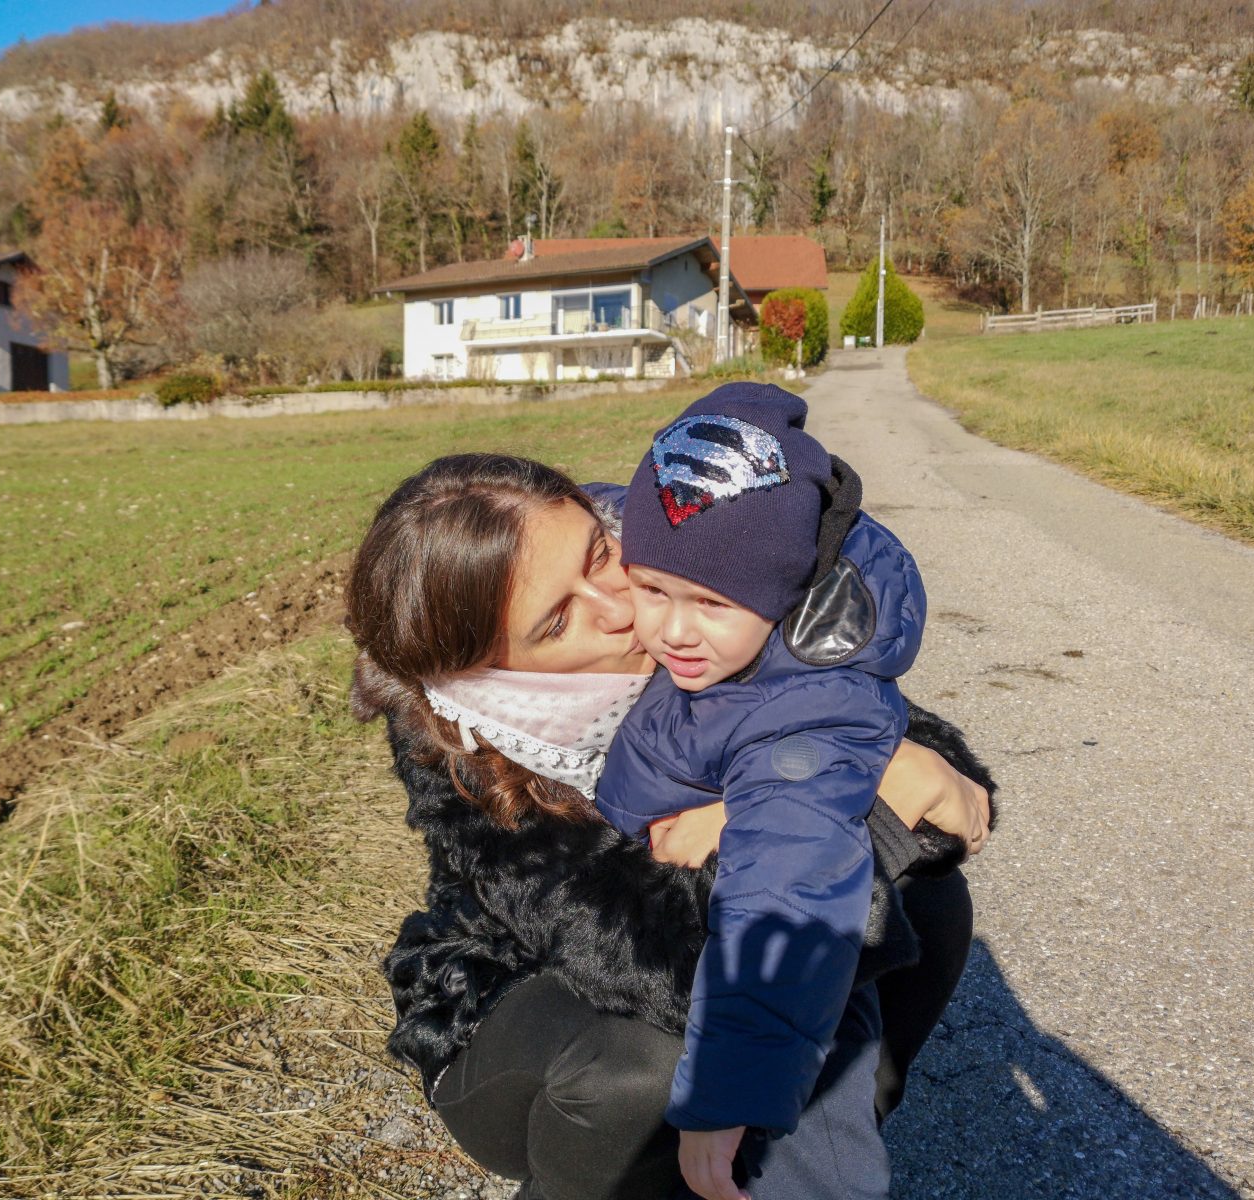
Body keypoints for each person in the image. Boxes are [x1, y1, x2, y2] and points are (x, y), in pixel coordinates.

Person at [346, 451, 994, 1200]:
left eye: (601, 553)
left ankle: (786, 1149)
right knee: (649, 1062)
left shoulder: (679, 586)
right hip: (514, 1004)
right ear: (492, 672)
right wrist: (869, 803)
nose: (620, 606)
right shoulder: (469, 750)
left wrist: (803, 795)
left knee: (923, 909)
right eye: (559, 620)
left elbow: (935, 776)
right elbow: (661, 960)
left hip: (699, 926)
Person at [589, 382, 934, 1199]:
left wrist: (728, 1091)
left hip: (775, 986)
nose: (673, 629)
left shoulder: (802, 712)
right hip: (680, 923)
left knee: (809, 1148)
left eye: (711, 602)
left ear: (782, 596)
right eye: (650, 590)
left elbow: (790, 884)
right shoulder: (710, 615)